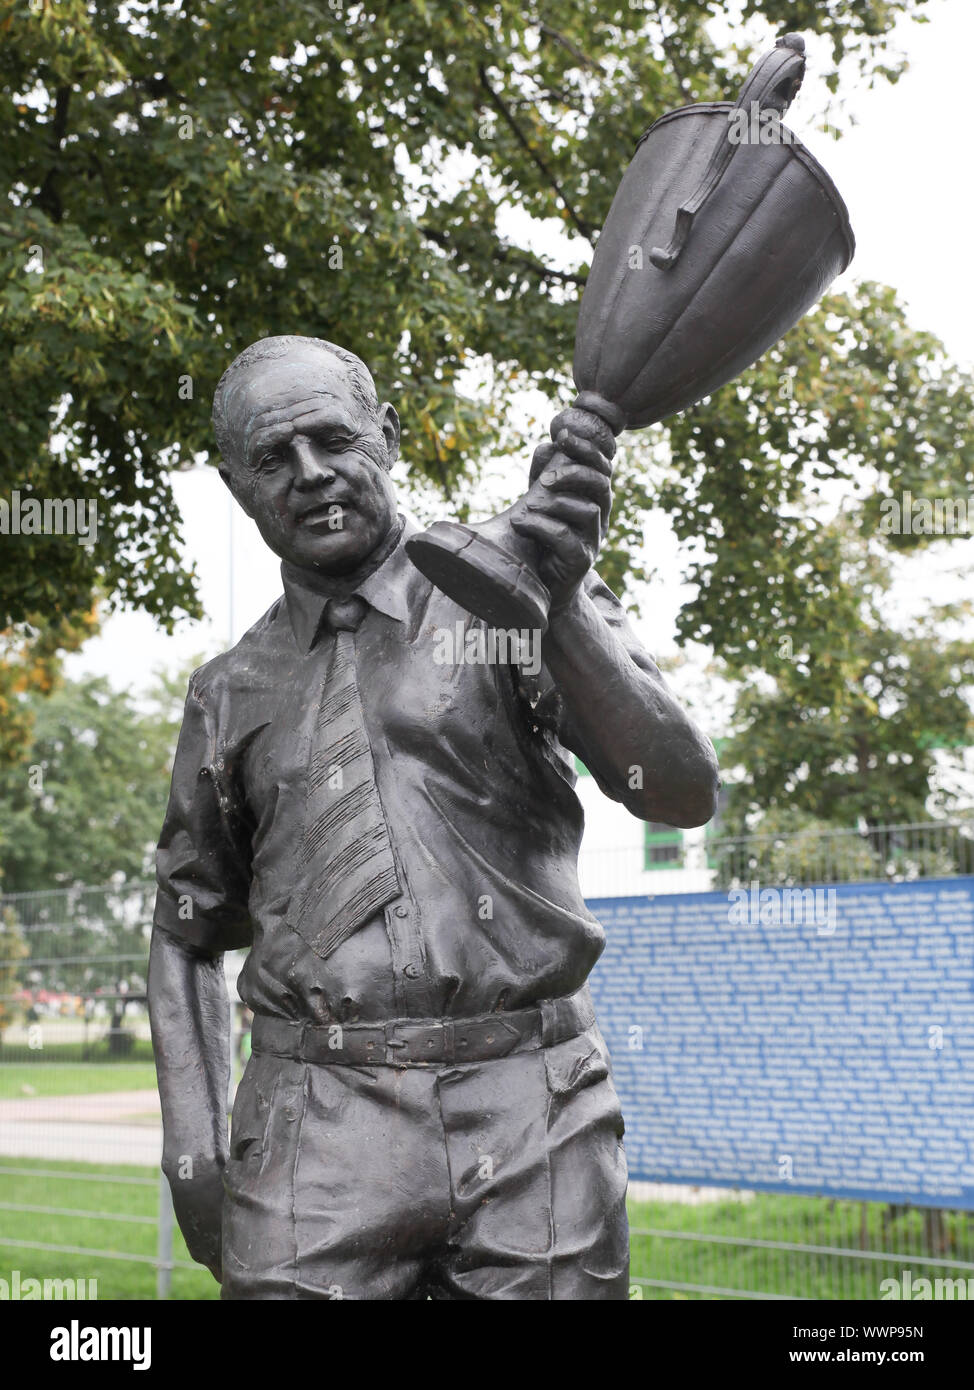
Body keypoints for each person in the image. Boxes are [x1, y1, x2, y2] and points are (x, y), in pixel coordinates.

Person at [148, 333, 719, 1300]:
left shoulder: (505, 593)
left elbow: (677, 791)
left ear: (388, 437)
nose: (311, 475)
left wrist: (562, 598)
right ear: (236, 485)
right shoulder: (228, 691)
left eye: (332, 440)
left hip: (533, 1111)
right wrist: (193, 1147)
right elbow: (189, 930)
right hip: (314, 1125)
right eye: (272, 461)